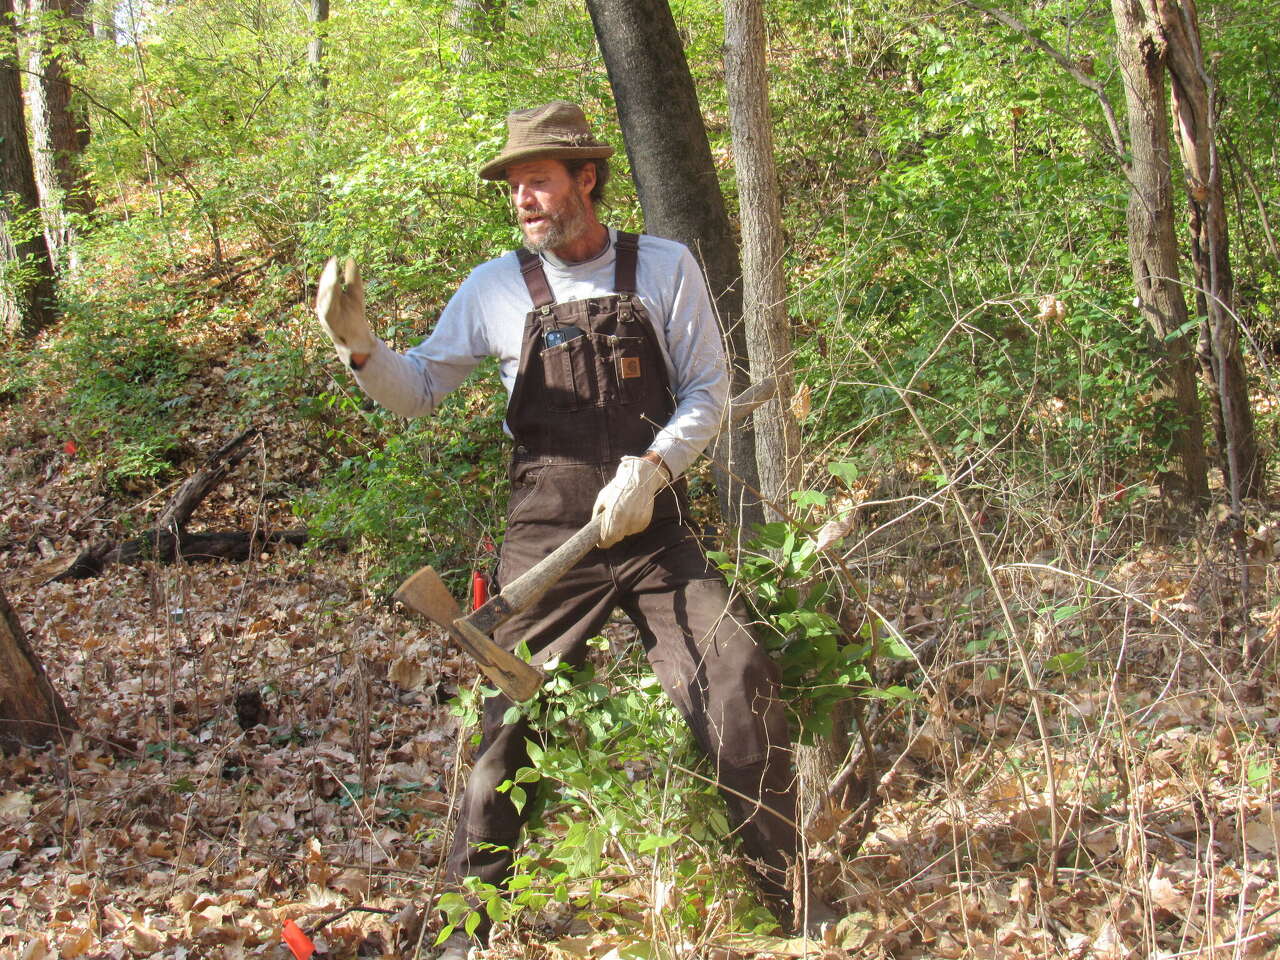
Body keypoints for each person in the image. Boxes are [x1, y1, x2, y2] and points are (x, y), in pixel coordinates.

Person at [314, 101, 835, 958]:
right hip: (547, 534)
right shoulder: (492, 287)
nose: (524, 198)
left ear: (585, 179)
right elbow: (417, 392)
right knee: (508, 727)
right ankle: (464, 933)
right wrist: (360, 346)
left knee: (736, 674)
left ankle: (796, 901)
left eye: (539, 182)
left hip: (652, 522)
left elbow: (710, 388)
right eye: (515, 186)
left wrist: (655, 469)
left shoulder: (664, 267)